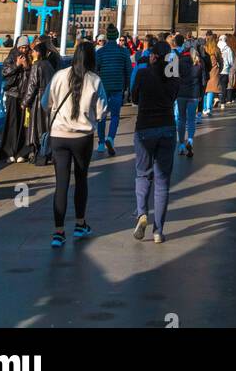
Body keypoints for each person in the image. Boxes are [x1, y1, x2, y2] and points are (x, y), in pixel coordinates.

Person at [41, 39, 107, 248]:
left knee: (61, 183)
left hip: (58, 136)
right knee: (81, 180)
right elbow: (103, 111)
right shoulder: (95, 80)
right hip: (82, 138)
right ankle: (80, 225)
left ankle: (58, 233)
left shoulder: (59, 76)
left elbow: (45, 104)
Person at [131, 39, 180, 243]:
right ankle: (158, 231)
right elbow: (173, 96)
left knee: (143, 174)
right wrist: (172, 65)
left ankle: (142, 213)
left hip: (144, 129)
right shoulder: (172, 76)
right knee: (162, 182)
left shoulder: (143, 73)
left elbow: (133, 98)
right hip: (167, 128)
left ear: (153, 56)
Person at [95, 23, 132, 156]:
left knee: (102, 116)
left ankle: (100, 143)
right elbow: (129, 71)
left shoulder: (100, 52)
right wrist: (128, 87)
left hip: (103, 88)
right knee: (115, 115)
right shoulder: (123, 52)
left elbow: (95, 70)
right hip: (117, 87)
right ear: (116, 37)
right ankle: (110, 137)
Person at [21, 38, 55, 163]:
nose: (32, 53)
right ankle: (47, 152)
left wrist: (25, 102)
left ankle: (37, 154)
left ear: (38, 53)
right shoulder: (49, 65)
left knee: (36, 128)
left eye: (34, 51)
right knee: (46, 127)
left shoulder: (37, 65)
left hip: (38, 100)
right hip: (49, 99)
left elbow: (32, 86)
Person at [0, 37, 31, 162]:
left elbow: (32, 76)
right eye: (22, 47)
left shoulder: (30, 57)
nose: (24, 50)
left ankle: (22, 152)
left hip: (24, 94)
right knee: (12, 123)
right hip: (12, 93)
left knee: (24, 123)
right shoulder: (11, 57)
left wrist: (27, 67)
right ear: (17, 47)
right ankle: (9, 151)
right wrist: (17, 65)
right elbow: (4, 72)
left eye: (26, 47)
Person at [175, 42, 204, 156]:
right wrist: (201, 94)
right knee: (191, 120)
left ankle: (181, 145)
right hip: (194, 95)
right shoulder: (198, 64)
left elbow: (175, 78)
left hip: (181, 94)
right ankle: (190, 140)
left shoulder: (179, 62)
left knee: (181, 119)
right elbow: (203, 81)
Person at [203, 36, 222, 115]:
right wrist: (219, 69)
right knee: (211, 90)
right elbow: (221, 62)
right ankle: (208, 108)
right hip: (214, 71)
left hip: (205, 71)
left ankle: (204, 108)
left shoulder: (204, 49)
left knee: (204, 90)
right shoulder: (217, 50)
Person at [217, 34, 234, 110]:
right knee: (224, 87)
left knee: (216, 85)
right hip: (225, 70)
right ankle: (222, 103)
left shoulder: (216, 47)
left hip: (217, 69)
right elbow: (231, 61)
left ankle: (216, 98)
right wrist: (229, 66)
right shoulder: (228, 49)